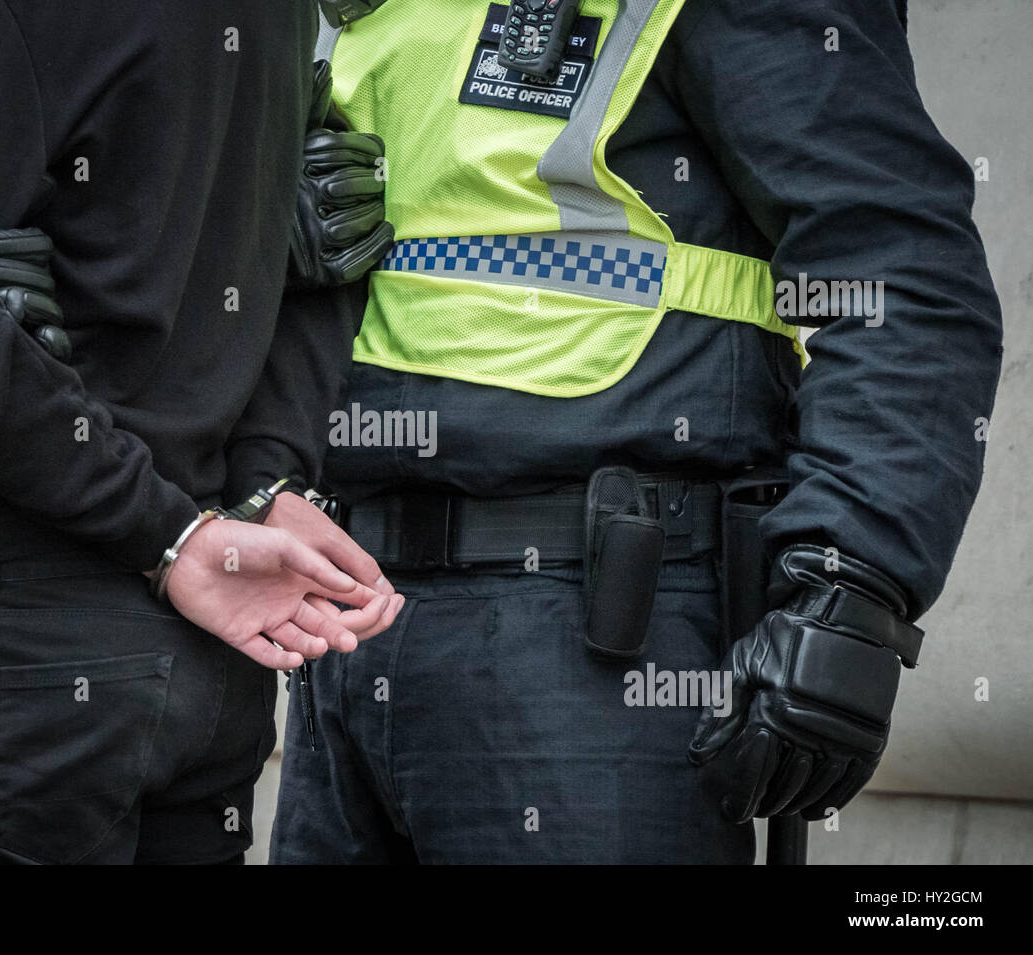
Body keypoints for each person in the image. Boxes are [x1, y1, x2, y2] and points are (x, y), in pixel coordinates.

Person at [270, 0, 1003, 863]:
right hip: (345, 616)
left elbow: (900, 278)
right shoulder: (364, 14)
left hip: (599, 639)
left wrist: (853, 587)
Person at [0, 0, 401, 864]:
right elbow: (332, 231)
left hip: (2, 637)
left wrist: (177, 535)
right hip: (206, 650)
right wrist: (259, 488)